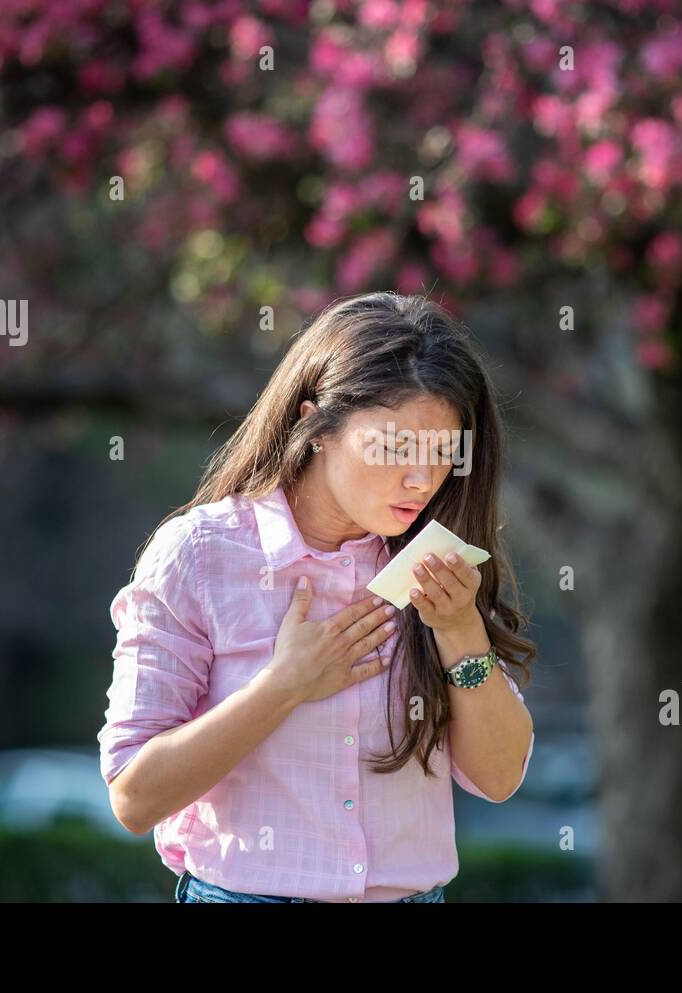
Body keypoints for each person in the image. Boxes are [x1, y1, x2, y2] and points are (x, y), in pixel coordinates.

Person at [96, 290, 536, 903]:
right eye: (394, 447)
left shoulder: (435, 559)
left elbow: (498, 776)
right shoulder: (199, 554)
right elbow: (134, 796)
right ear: (315, 424)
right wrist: (285, 686)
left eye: (441, 454)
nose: (420, 478)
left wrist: (460, 628)